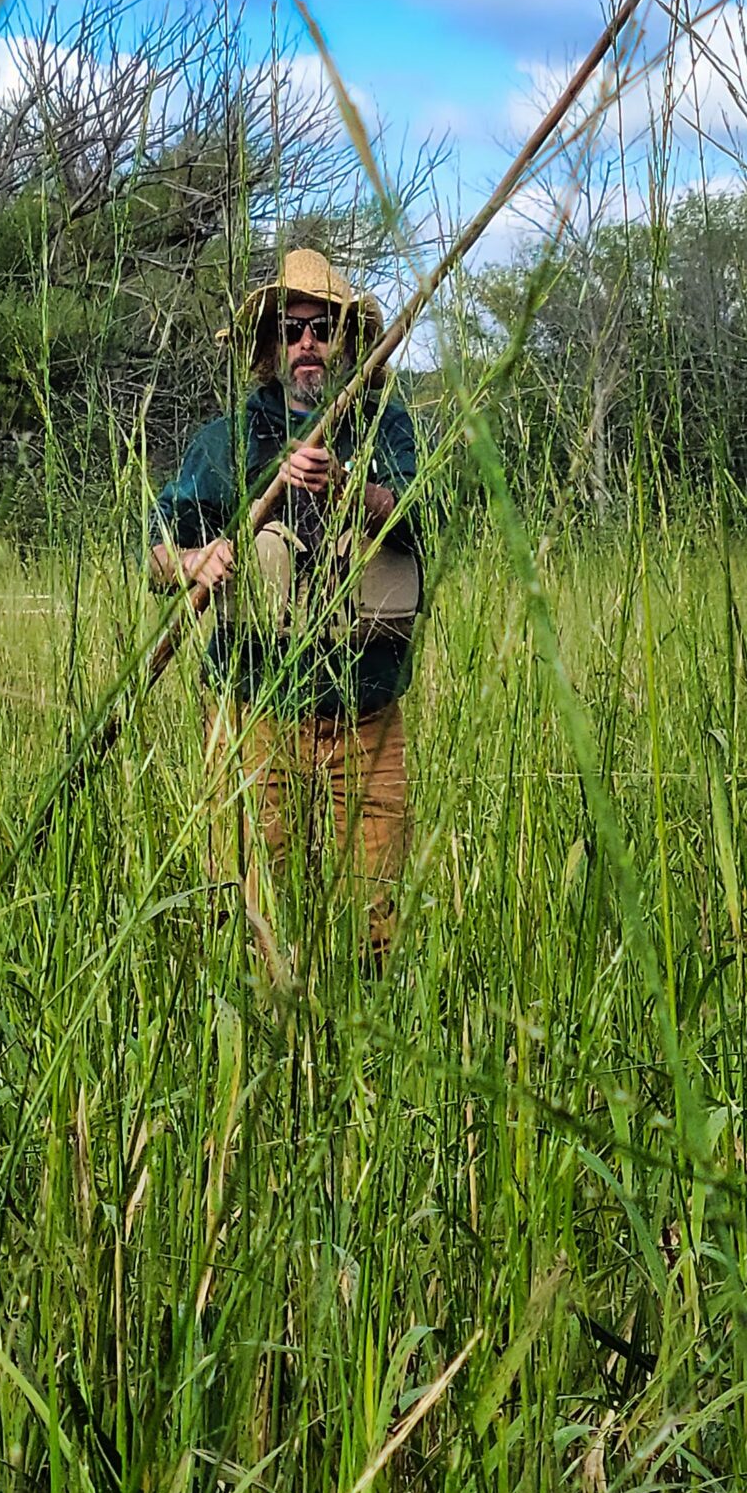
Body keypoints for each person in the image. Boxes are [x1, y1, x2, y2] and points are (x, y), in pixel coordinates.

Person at [147, 247, 421, 961]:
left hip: (365, 712)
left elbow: (426, 513)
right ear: (270, 346)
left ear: (346, 342)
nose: (307, 344)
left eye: (322, 329)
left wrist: (351, 488)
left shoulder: (386, 429)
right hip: (254, 713)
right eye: (292, 330)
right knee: (250, 909)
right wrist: (192, 559)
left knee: (376, 917)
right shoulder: (225, 442)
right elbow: (159, 555)